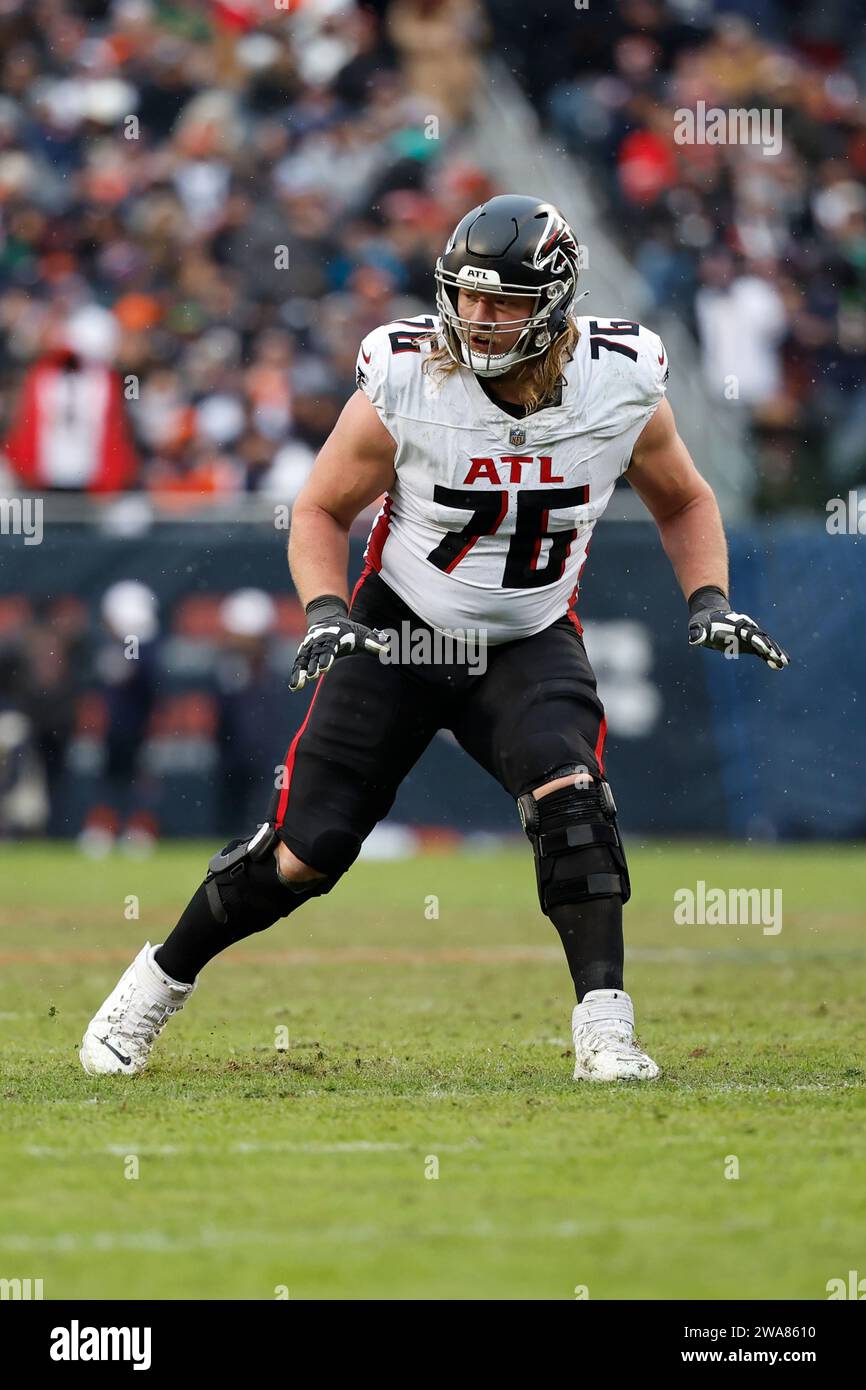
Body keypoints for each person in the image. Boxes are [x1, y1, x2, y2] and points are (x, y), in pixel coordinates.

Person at [80, 194, 788, 1081]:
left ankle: (606, 1029)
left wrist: (708, 597)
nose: (478, 319)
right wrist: (327, 611)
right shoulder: (411, 375)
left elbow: (684, 496)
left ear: (555, 300)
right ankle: (153, 985)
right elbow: (320, 506)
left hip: (527, 639)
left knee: (573, 803)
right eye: (468, 296)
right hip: (400, 633)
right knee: (304, 855)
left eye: (502, 301)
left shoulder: (622, 378)